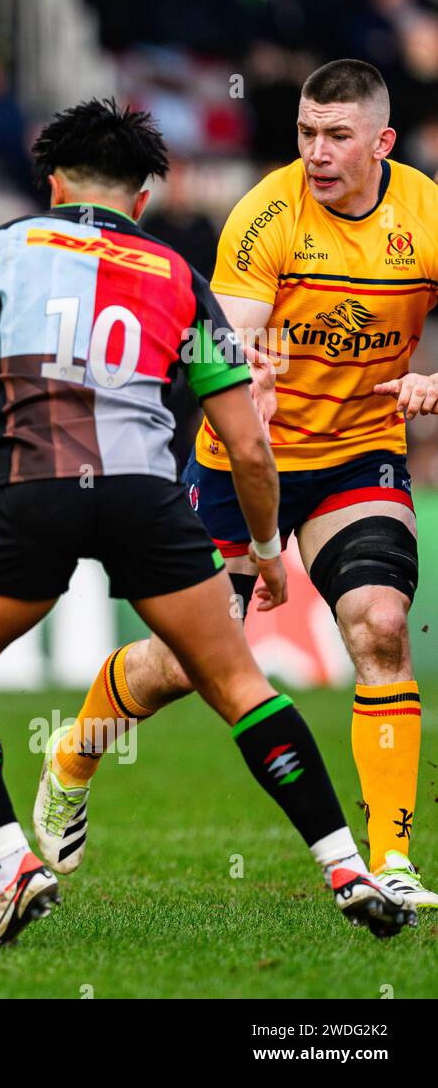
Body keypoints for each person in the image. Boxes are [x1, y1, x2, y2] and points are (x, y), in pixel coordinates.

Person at [0, 98, 415, 948]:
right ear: (142, 200)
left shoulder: (5, 246)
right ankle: (347, 864)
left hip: (32, 491)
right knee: (240, 684)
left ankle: (10, 867)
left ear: (52, 184)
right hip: (147, 499)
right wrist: (263, 548)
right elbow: (247, 446)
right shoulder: (178, 274)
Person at [42, 61, 438, 910]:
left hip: (356, 454)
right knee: (186, 665)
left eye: (337, 136)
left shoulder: (428, 214)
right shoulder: (266, 214)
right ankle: (75, 750)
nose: (317, 153)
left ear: (383, 143)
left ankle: (394, 859)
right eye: (305, 133)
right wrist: (248, 372)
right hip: (240, 461)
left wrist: (431, 382)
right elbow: (228, 340)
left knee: (381, 625)